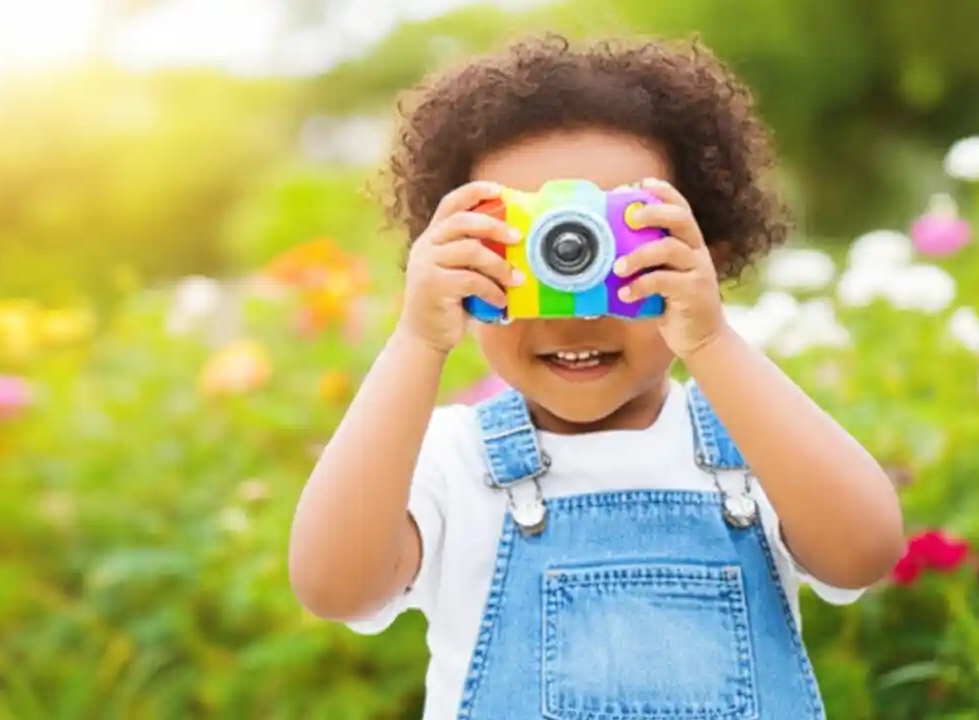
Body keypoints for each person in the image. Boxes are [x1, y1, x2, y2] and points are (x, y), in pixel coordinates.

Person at [289, 33, 904, 719]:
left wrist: (711, 338)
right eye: (527, 247)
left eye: (616, 242)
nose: (572, 296)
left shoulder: (759, 443)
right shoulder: (455, 462)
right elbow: (333, 587)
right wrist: (416, 342)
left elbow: (865, 552)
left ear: (707, 253)